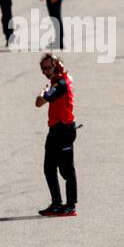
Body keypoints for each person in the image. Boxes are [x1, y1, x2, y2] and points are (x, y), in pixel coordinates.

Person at [36, 53, 76, 216]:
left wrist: (43, 91)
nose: (45, 71)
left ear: (57, 66)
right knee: (49, 168)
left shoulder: (60, 84)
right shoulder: (56, 82)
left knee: (67, 170)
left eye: (48, 68)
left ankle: (71, 205)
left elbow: (39, 102)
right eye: (43, 69)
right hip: (55, 130)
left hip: (64, 130)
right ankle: (57, 203)